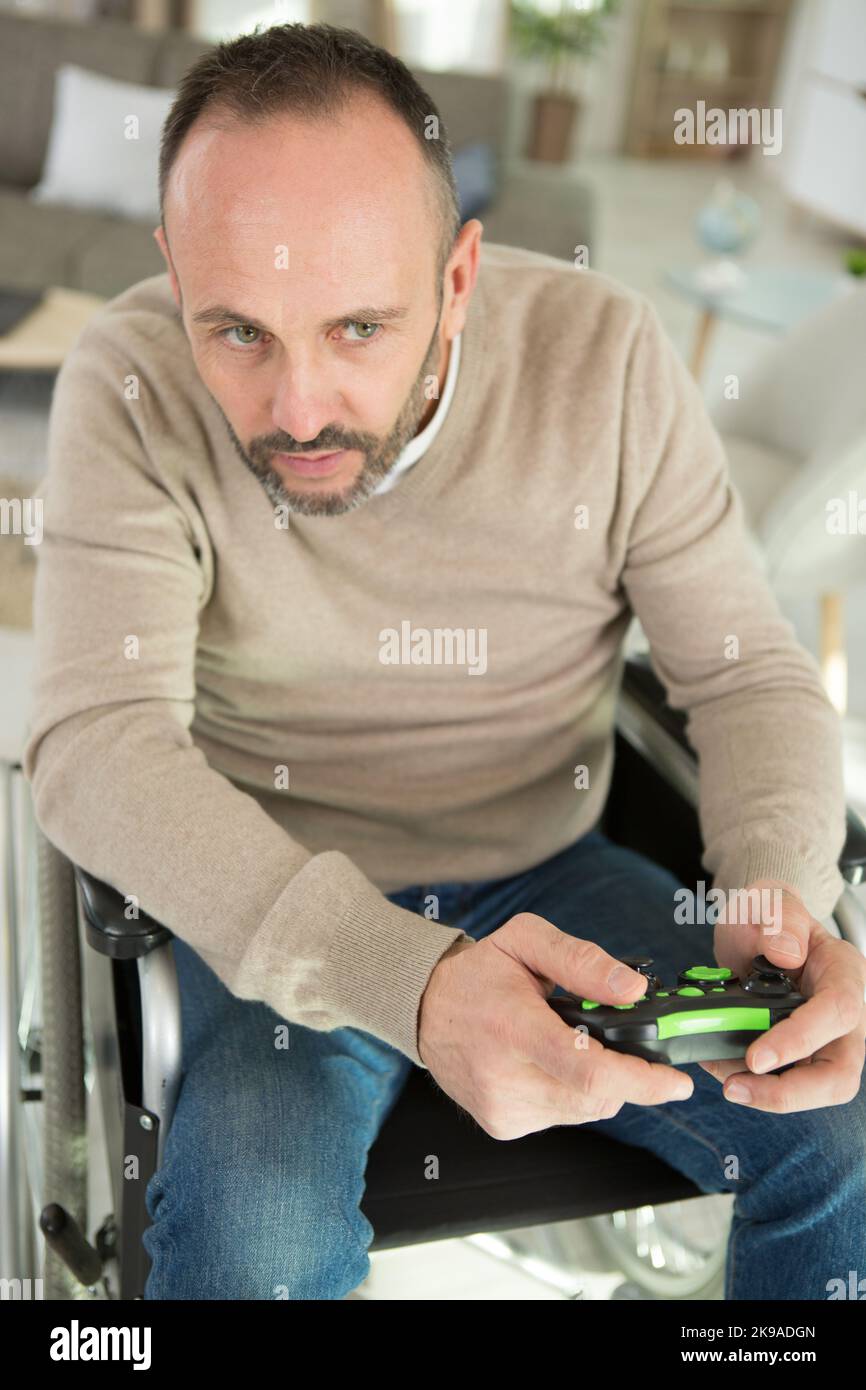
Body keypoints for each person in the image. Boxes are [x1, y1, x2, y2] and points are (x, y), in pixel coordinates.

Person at [23, 22, 866, 1301]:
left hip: (555, 863)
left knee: (842, 1138)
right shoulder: (128, 383)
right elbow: (94, 742)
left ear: (460, 276)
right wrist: (403, 983)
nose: (298, 408)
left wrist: (779, 890)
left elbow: (747, 668)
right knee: (250, 1257)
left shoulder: (607, 358)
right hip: (284, 889)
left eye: (358, 326)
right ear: (173, 270)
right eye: (236, 331)